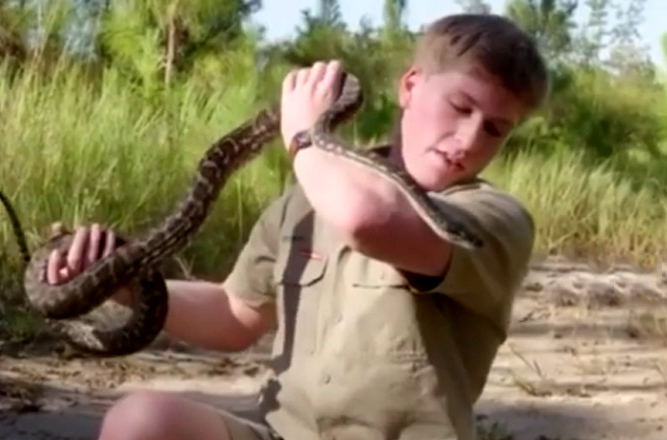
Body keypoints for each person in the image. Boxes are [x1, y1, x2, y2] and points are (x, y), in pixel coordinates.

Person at [44, 13, 548, 440]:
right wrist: (124, 283)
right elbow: (236, 313)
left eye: (494, 128)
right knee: (141, 421)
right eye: (460, 107)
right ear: (411, 86)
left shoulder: (494, 221)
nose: (468, 138)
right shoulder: (309, 198)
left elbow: (368, 220)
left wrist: (305, 136)